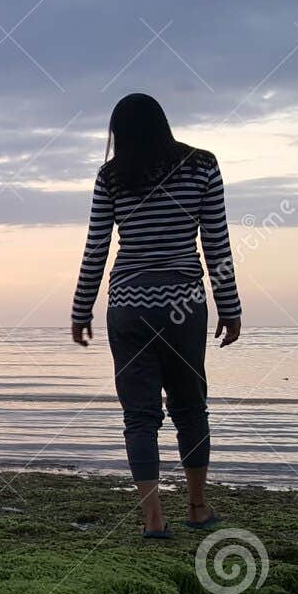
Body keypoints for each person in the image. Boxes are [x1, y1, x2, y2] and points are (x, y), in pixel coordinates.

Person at [70, 93, 242, 539]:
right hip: (183, 305)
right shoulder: (202, 166)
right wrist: (230, 306)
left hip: (128, 306)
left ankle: (153, 519)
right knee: (190, 408)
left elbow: (96, 247)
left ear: (119, 133)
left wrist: (81, 308)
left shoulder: (112, 176)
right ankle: (197, 508)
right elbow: (216, 243)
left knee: (139, 416)